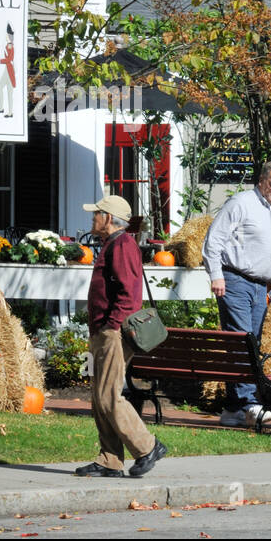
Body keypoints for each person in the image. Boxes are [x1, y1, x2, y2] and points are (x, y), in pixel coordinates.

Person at [74, 194, 166, 478]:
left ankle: (147, 446)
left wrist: (112, 326)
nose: (93, 219)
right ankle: (110, 460)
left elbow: (129, 294)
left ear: (109, 219)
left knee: (109, 396)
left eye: (96, 214)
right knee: (99, 397)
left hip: (112, 332)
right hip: (103, 331)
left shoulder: (123, 245)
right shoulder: (112, 244)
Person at [202, 161, 271, 427]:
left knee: (249, 344)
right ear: (262, 180)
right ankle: (249, 403)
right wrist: (216, 275)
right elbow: (213, 241)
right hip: (234, 280)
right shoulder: (240, 203)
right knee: (244, 343)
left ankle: (233, 407)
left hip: (259, 284)